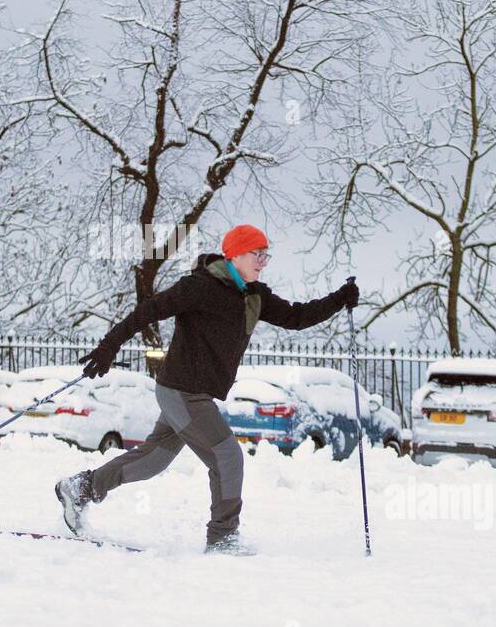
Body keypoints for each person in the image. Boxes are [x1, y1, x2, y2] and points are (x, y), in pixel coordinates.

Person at [55, 225, 359, 554]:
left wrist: (339, 299)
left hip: (189, 393)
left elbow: (297, 316)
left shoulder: (255, 295)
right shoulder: (200, 287)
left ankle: (80, 488)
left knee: (153, 460)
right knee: (227, 456)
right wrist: (109, 346)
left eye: (265, 255)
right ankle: (223, 537)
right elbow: (150, 310)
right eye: (258, 254)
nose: (263, 262)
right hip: (182, 391)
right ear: (237, 254)